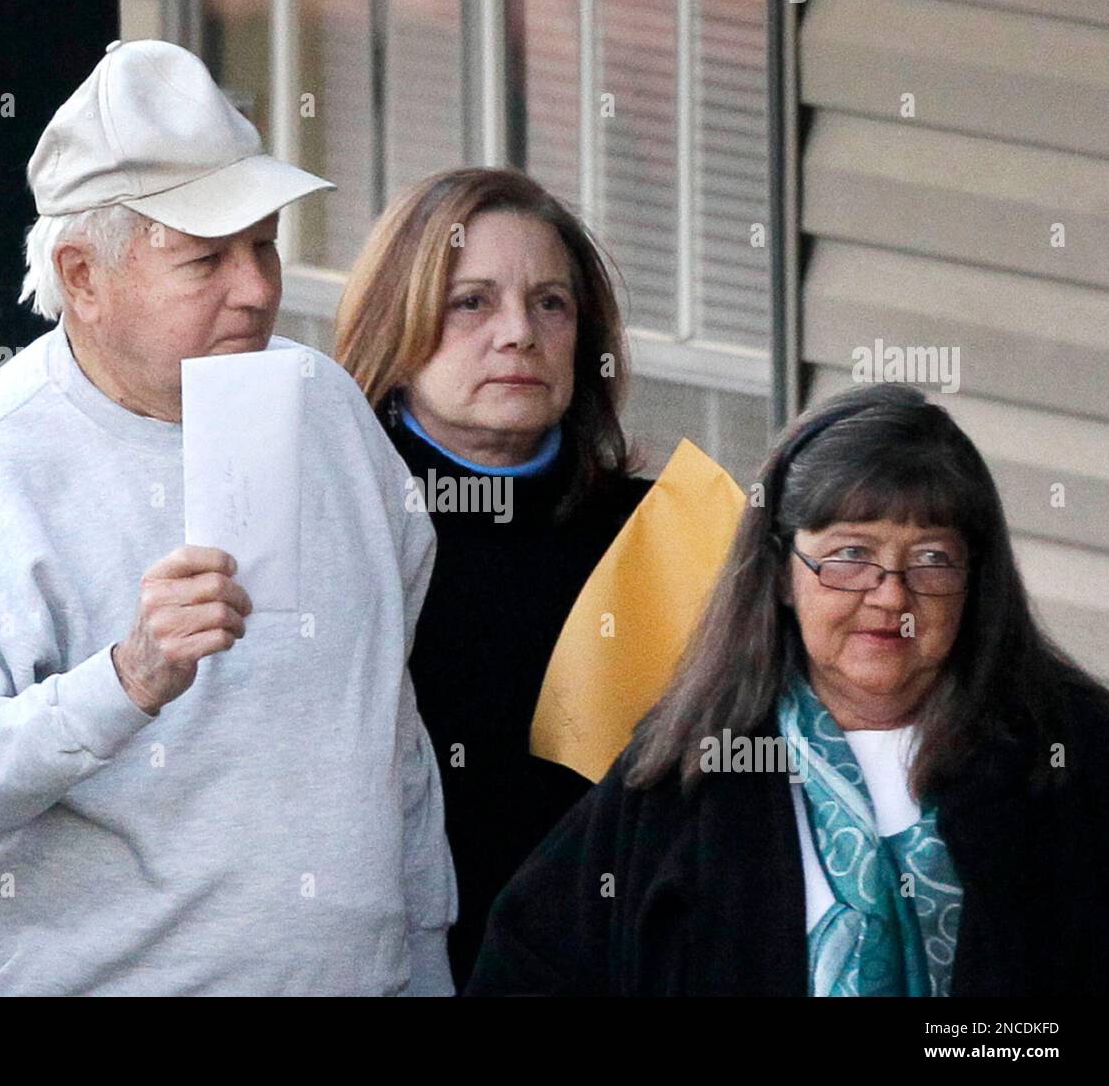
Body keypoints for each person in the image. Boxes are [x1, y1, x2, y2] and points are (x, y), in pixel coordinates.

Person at [0, 39, 456, 996]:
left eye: (264, 243)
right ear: (83, 276)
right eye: (207, 258)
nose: (256, 288)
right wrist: (122, 684)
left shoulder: (327, 412)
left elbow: (388, 733)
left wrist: (424, 964)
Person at [468, 383, 1109, 996]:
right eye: (850, 554)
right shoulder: (688, 772)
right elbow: (527, 970)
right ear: (779, 573)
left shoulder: (1072, 760)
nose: (890, 595)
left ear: (977, 580)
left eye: (931, 559)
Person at [335, 167, 651, 989]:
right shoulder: (332, 524)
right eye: (471, 301)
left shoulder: (662, 536)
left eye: (551, 302)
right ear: (396, 329)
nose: (519, 333)